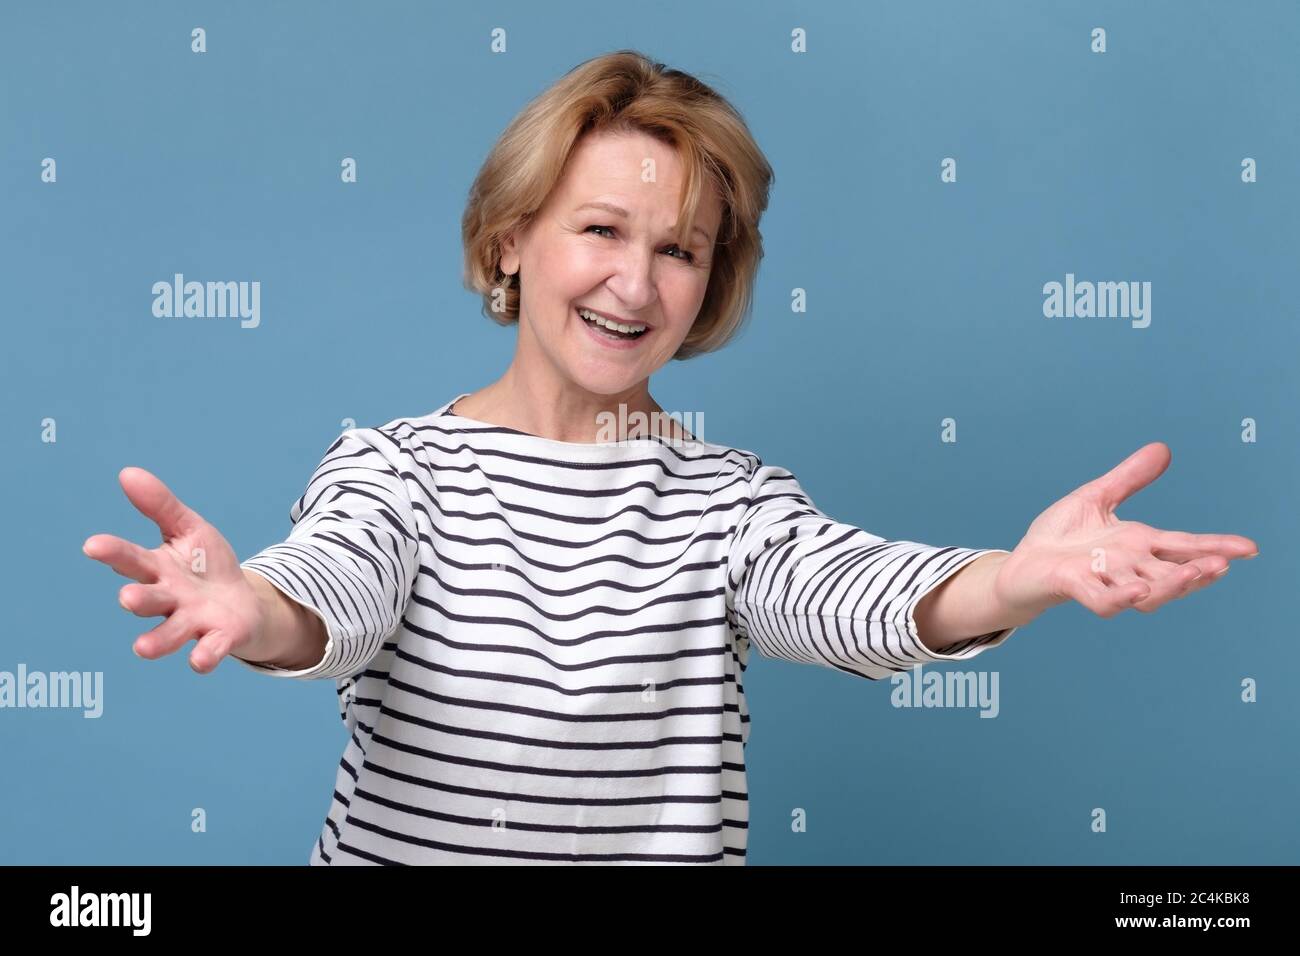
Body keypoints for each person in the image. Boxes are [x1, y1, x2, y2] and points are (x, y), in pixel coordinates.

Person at [82, 50, 1258, 865]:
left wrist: (1015, 576)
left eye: (680, 248)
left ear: (712, 284)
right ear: (511, 240)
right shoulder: (395, 471)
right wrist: (259, 605)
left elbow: (844, 593)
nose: (634, 284)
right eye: (599, 229)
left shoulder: (730, 501)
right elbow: (336, 581)